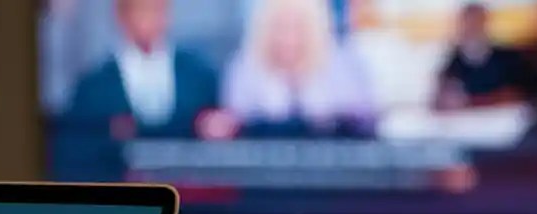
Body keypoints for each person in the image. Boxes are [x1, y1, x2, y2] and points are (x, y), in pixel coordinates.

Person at [220, 0, 376, 138]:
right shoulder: (245, 68)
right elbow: (233, 120)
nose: (288, 36)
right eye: (280, 26)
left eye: (298, 26)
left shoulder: (341, 68)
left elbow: (363, 121)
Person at [65, 0, 219, 140]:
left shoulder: (199, 77)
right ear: (121, 16)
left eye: (156, 9)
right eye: (141, 9)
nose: (149, 18)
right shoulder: (94, 87)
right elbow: (78, 145)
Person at [433, 3, 537, 110]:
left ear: (486, 24)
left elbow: (527, 94)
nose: (472, 29)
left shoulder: (509, 59)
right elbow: (439, 103)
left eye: (476, 23)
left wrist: (480, 101)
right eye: (468, 24)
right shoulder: (451, 66)